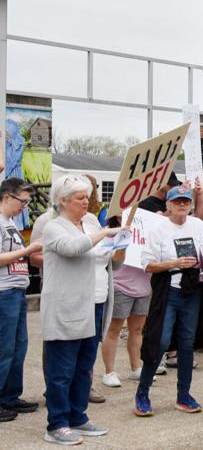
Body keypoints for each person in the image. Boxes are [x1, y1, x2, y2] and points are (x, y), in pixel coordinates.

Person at [41, 175, 121, 445]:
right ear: (63, 201)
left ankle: (78, 416)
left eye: (87, 196)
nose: (86, 201)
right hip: (64, 308)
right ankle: (57, 424)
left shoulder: (87, 223)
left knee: (83, 367)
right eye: (79, 197)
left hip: (90, 305)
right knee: (61, 370)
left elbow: (99, 255)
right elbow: (74, 248)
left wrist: (117, 242)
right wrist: (104, 234)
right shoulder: (54, 227)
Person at [135, 185, 203, 417]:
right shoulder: (159, 228)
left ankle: (184, 395)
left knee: (186, 343)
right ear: (167, 205)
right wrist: (174, 264)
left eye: (186, 201)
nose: (182, 205)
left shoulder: (197, 225)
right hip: (168, 291)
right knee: (160, 341)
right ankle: (142, 392)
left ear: (191, 205)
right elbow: (147, 264)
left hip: (193, 289)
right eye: (177, 201)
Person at [0, 179, 43, 423]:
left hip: (17, 291)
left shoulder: (12, 224)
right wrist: (27, 251)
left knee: (18, 347)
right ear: (7, 197)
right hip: (4, 292)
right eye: (22, 201)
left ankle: (10, 395)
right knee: (4, 348)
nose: (24, 207)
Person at [101, 214, 155, 389]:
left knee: (137, 330)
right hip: (120, 285)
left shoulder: (149, 227)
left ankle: (136, 367)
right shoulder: (109, 232)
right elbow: (105, 254)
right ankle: (109, 371)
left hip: (143, 285)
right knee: (113, 329)